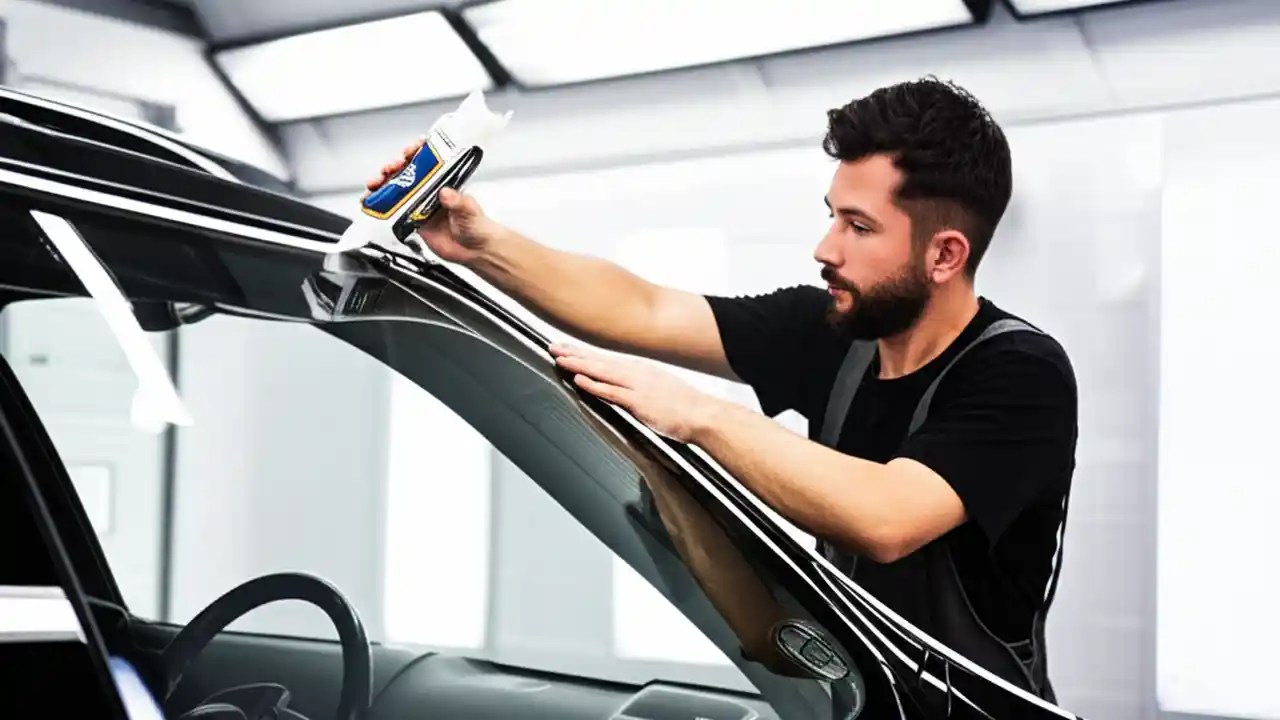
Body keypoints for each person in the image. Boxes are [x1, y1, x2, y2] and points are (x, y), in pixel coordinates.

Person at [367, 76, 1078, 698]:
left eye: (859, 226)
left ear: (944, 255)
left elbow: (887, 517)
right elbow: (642, 309)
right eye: (832, 214)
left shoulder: (1021, 375)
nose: (826, 247)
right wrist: (482, 246)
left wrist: (697, 416)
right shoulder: (832, 330)